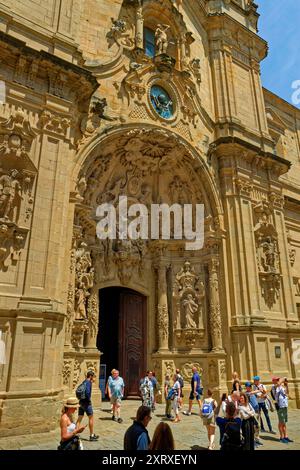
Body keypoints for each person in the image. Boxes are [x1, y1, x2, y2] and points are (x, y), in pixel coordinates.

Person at [76, 370, 99, 441]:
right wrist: (88, 400)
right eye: (94, 377)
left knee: (79, 418)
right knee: (91, 418)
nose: (94, 378)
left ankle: (75, 434)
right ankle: (91, 435)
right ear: (91, 376)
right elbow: (88, 393)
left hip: (81, 402)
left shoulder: (84, 382)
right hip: (86, 403)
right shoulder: (88, 383)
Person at [274, 377, 293, 443]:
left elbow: (287, 393)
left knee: (284, 422)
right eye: (277, 380)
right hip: (280, 407)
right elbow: (278, 383)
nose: (278, 381)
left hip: (284, 406)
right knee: (281, 422)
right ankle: (281, 437)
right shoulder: (275, 387)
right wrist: (284, 378)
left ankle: (286, 436)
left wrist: (286, 385)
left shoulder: (281, 387)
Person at [244, 381, 263, 447]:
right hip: (252, 413)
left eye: (250, 386)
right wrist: (259, 390)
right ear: (246, 387)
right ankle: (253, 442)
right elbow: (251, 393)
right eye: (249, 386)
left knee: (258, 426)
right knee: (253, 427)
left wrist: (263, 394)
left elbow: (259, 396)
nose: (250, 387)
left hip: (257, 411)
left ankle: (257, 439)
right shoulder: (246, 393)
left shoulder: (253, 393)